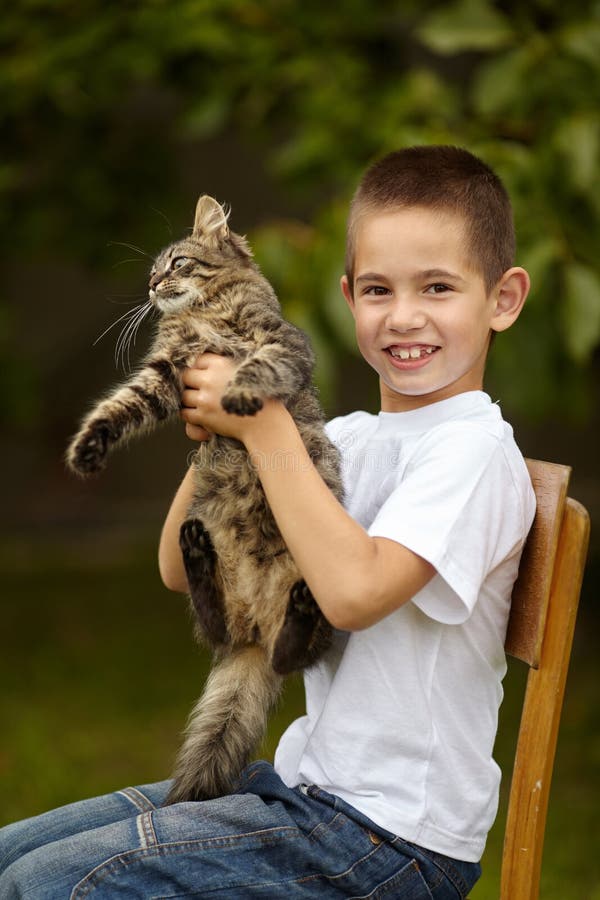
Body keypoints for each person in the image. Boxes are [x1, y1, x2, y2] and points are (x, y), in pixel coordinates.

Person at [0, 145, 536, 898]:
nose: (404, 315)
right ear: (350, 298)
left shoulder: (474, 453)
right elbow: (172, 569)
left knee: (49, 884)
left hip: (389, 839)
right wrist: (219, 434)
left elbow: (352, 594)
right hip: (299, 791)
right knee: (9, 859)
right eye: (379, 289)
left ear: (503, 299)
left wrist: (262, 426)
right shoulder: (345, 436)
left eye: (439, 287)